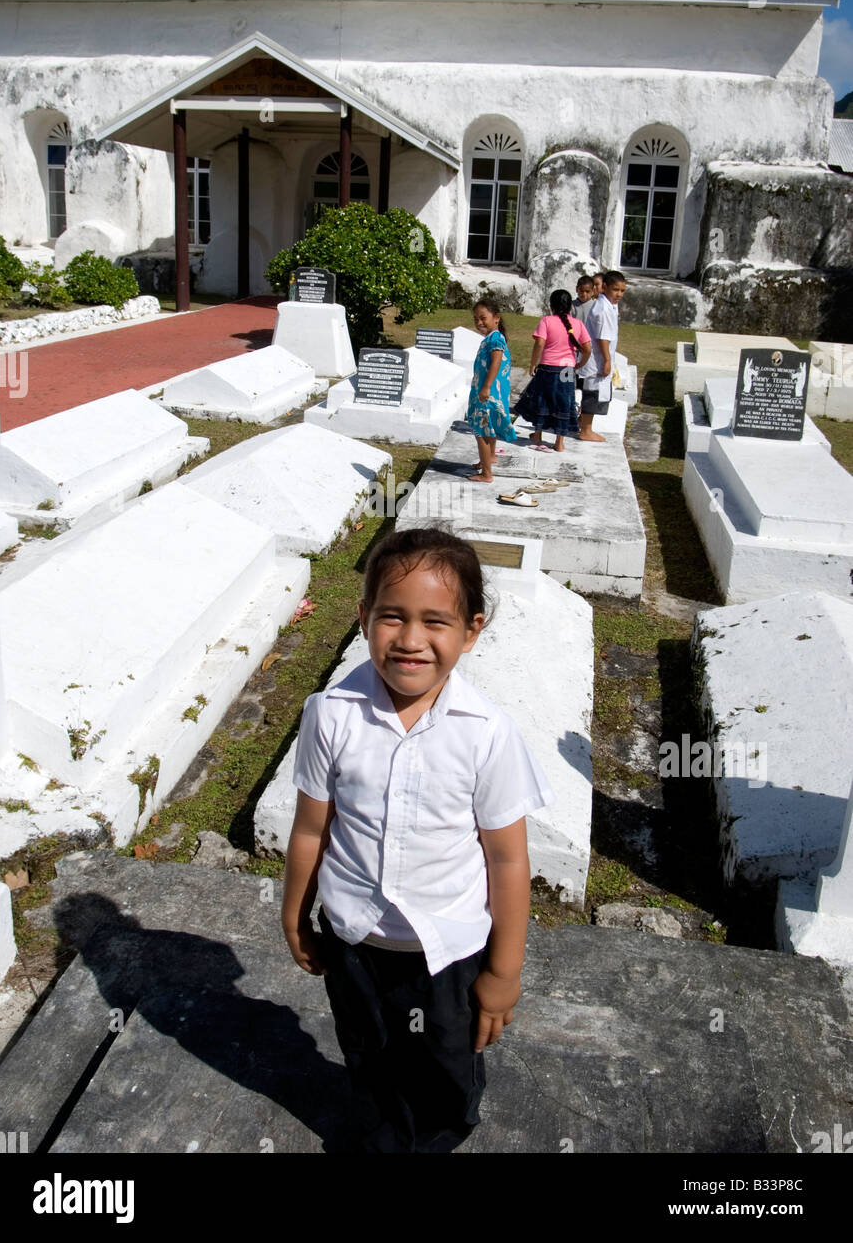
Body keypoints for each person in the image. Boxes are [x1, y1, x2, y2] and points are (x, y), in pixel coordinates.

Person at [281, 527, 553, 1153]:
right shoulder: (331, 713)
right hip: (354, 940)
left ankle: (434, 1141)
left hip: (447, 952)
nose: (409, 640)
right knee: (369, 1055)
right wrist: (295, 914)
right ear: (363, 617)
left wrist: (504, 971)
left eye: (436, 622)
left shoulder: (485, 734)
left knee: (445, 1066)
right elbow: (310, 827)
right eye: (391, 617)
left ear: (471, 630)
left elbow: (507, 859)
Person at [514, 289, 591, 452]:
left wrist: (533, 363)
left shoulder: (546, 321)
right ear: (571, 307)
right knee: (564, 403)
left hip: (547, 368)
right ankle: (559, 442)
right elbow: (588, 348)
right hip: (568, 370)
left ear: (551, 306)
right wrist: (580, 364)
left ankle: (538, 435)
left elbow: (540, 344)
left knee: (542, 401)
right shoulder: (578, 324)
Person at [465, 299, 518, 482]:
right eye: (476, 319)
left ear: (496, 318)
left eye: (483, 318)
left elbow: (496, 362)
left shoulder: (495, 338)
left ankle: (486, 473)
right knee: (490, 428)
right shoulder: (492, 338)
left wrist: (486, 386)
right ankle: (490, 457)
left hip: (488, 391)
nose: (479, 322)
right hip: (490, 391)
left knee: (482, 433)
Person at [579, 270, 626, 442]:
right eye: (615, 290)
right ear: (604, 287)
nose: (619, 294)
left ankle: (583, 423)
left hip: (601, 357)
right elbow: (603, 337)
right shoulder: (602, 309)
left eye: (622, 291)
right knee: (592, 393)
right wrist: (607, 361)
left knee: (597, 392)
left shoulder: (609, 304)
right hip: (597, 359)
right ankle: (585, 429)